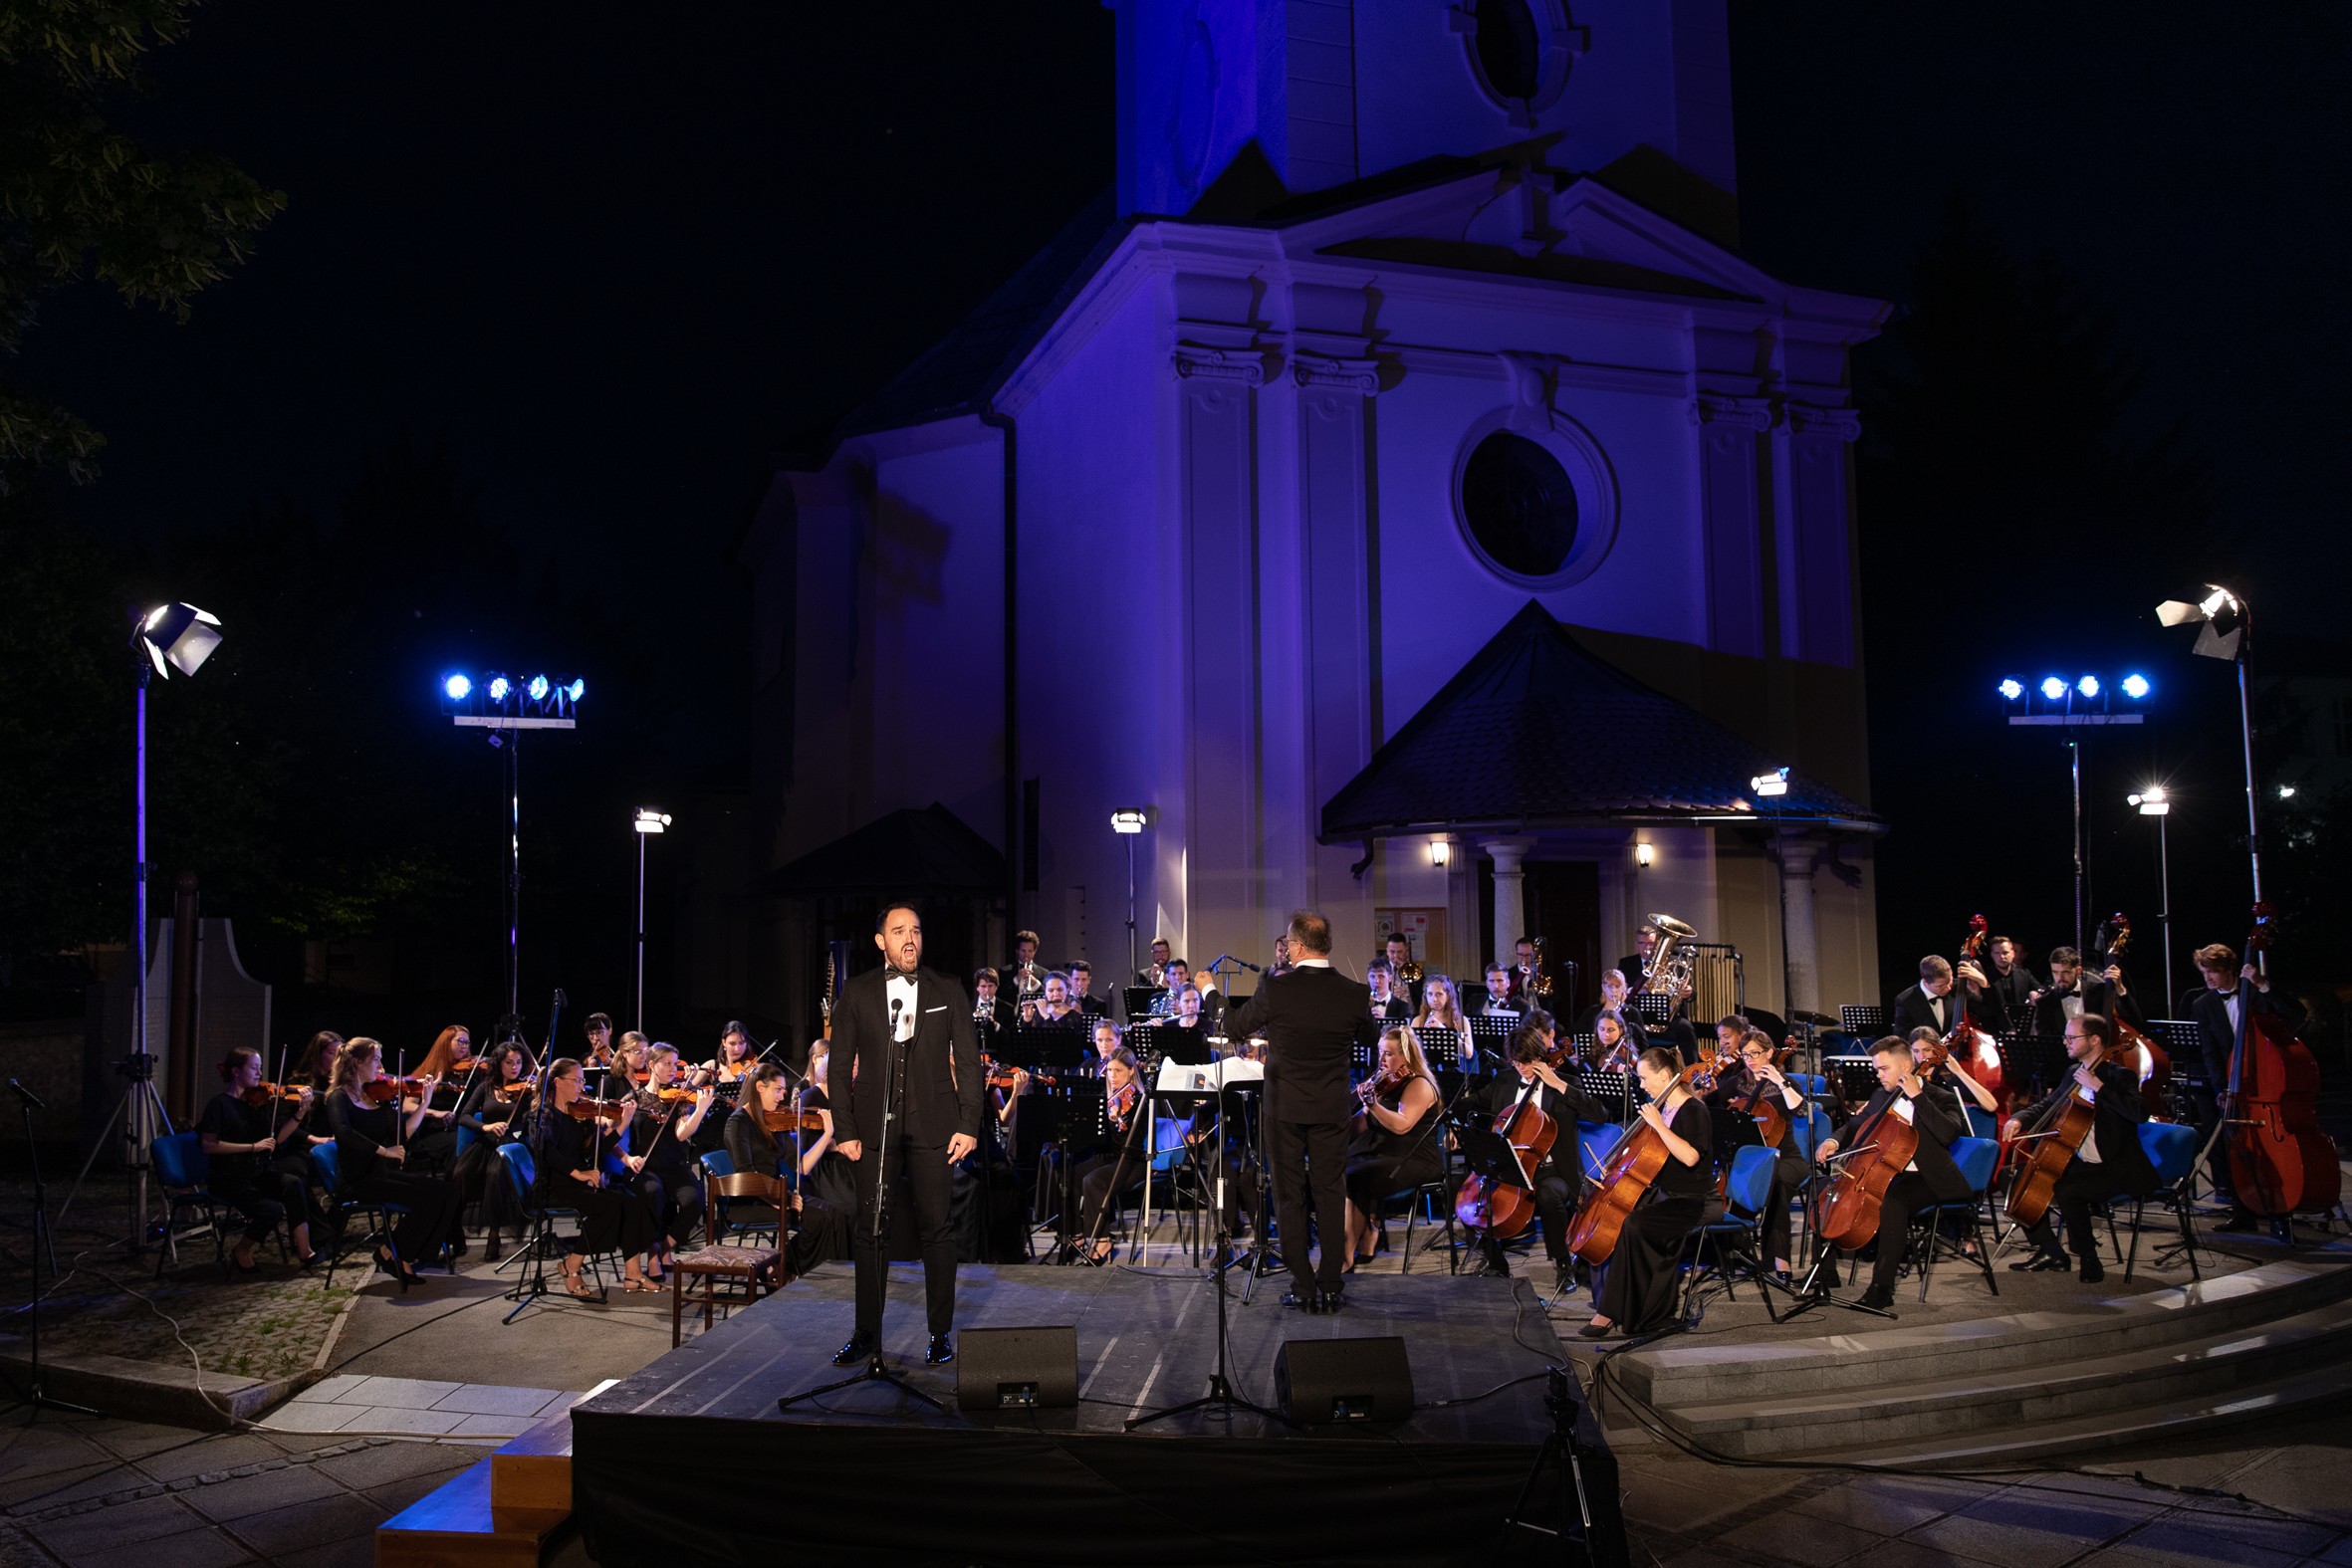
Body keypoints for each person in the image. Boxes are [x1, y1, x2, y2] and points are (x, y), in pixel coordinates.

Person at [826, 902, 983, 1368]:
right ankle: (865, 1332)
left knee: (938, 1228)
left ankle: (939, 1333)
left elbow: (969, 1063)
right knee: (871, 1230)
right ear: (882, 942)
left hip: (936, 1123)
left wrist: (968, 1124)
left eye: (915, 929)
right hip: (874, 1126)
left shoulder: (948, 989)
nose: (909, 938)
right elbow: (838, 1069)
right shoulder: (855, 993)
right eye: (899, 931)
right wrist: (846, 1129)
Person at [1217, 910, 1368, 1313]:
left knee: (1289, 1199)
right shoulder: (1355, 993)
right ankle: (1332, 1285)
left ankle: (1303, 1287)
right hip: (1332, 1108)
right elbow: (1370, 1036)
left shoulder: (1277, 989)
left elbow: (1233, 1026)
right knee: (1331, 1194)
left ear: (1298, 946)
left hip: (1285, 1108)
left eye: (1287, 943)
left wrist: (1207, 991)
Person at [1812, 1036, 1970, 1314]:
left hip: (1928, 1178)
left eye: (1883, 1068)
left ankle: (1881, 1290)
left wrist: (1917, 1097)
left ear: (1906, 1066)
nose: (1878, 1074)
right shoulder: (1881, 1095)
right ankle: (1825, 1274)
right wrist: (1834, 1141)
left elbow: (1948, 1133)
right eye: (1877, 1069)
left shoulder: (1939, 1097)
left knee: (1893, 1202)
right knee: (1826, 1188)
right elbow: (1857, 1124)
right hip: (1887, 1172)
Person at [2003, 1013, 2156, 1281]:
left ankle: (2089, 1257)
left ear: (2095, 1040)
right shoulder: (2073, 1073)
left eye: (2072, 1038)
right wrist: (2019, 1119)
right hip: (2079, 1162)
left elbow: (2139, 1113)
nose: (2065, 1042)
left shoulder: (2120, 1076)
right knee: (2012, 1176)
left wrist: (2098, 1086)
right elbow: (2049, 1105)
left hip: (2116, 1166)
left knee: (2068, 1190)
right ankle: (2051, 1252)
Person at [1580, 1046, 1713, 1338]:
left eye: (1643, 1078)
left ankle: (1628, 1313)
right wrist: (1617, 1169)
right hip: (1664, 1193)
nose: (1641, 1085)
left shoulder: (1693, 1109)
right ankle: (1619, 1309)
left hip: (1689, 1201)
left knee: (1635, 1226)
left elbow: (1690, 1157)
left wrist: (1657, 1124)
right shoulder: (1664, 1107)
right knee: (1616, 1221)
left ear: (1665, 1075)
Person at [1471, 1025, 1612, 1288]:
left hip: (1552, 1169)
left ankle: (1563, 1262)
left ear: (1541, 1056)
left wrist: (1556, 1084)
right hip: (1512, 1167)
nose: (1521, 1068)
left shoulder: (1566, 1083)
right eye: (1515, 1062)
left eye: (1527, 1061)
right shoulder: (1505, 1080)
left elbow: (1600, 1114)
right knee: (1469, 1198)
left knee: (1549, 1196)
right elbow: (1473, 1102)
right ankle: (1497, 1264)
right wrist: (1452, 1119)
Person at [326, 1037, 461, 1289]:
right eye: (375, 1059)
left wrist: (425, 1103)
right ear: (357, 1063)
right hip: (359, 1180)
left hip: (382, 1174)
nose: (381, 1065)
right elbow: (344, 1133)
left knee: (449, 1191)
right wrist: (383, 1151)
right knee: (427, 1200)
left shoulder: (373, 1098)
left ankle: (394, 1251)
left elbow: (403, 1135)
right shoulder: (339, 1097)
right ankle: (400, 1255)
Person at [537, 1057, 658, 1297]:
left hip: (578, 1182)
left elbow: (595, 1150)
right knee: (607, 1207)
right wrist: (579, 1174)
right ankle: (571, 1265)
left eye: (583, 1081)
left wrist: (622, 1125)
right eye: (578, 1080)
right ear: (558, 1083)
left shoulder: (577, 1114)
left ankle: (633, 1273)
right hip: (555, 1185)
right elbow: (547, 1152)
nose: (583, 1087)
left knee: (632, 1202)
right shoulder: (543, 1115)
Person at [2187, 943, 2283, 1235]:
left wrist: (2261, 984)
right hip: (2231, 1085)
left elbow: (2294, 1014)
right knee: (2233, 1150)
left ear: (2229, 969)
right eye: (2204, 973)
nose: (2209, 979)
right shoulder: (2202, 1005)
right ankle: (2243, 1212)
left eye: (2213, 972)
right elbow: (2210, 1052)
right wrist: (2223, 1088)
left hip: (2265, 1081)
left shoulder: (2253, 992)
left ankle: (2280, 1210)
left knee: (2269, 1149)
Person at [197, 1047, 323, 1270]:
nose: (259, 1073)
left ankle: (305, 1251)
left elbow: (278, 1139)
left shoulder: (257, 1103)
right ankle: (241, 1250)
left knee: (293, 1184)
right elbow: (209, 1145)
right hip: (229, 1177)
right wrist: (252, 1147)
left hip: (256, 1172)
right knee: (271, 1210)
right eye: (253, 1068)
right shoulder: (219, 1105)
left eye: (260, 1068)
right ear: (236, 1071)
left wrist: (300, 1112)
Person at [721, 1061, 852, 1273]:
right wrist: (777, 1200)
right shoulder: (738, 1123)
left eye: (783, 1090)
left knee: (835, 1215)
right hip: (752, 1201)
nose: (782, 1096)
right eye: (778, 1090)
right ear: (760, 1088)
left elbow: (802, 1166)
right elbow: (746, 1172)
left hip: (778, 1195)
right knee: (819, 1220)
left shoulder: (774, 1120)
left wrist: (828, 1134)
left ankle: (798, 1270)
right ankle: (789, 1270)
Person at [1704, 1030, 1809, 1274]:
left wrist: (1780, 1082)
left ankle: (1780, 1258)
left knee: (1776, 1181)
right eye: (1745, 1054)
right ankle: (1737, 1251)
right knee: (1739, 1178)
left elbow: (1801, 1111)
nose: (1750, 1059)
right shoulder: (1738, 1081)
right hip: (1751, 1160)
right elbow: (1710, 1105)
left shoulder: (1787, 1083)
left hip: (1787, 1157)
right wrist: (1705, 1090)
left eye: (1755, 1053)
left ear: (1770, 1053)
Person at [1340, 1026, 1444, 1271]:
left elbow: (1402, 1126)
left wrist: (1373, 1105)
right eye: (1380, 1052)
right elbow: (1362, 1124)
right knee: (1339, 1166)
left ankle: (1344, 1257)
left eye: (1389, 1054)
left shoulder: (1419, 1084)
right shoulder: (1384, 1080)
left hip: (1414, 1157)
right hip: (1383, 1151)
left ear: (1407, 1056)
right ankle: (1366, 1234)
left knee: (1357, 1175)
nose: (1382, 1059)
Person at [622, 1044, 718, 1273]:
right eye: (667, 1063)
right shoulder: (635, 1097)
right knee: (653, 1195)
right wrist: (627, 1158)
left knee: (694, 1200)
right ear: (652, 1065)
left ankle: (665, 1247)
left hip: (673, 1165)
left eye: (676, 1064)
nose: (673, 1069)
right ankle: (653, 1255)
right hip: (644, 1167)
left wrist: (700, 1110)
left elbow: (681, 1133)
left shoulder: (678, 1098)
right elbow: (615, 1135)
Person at [453, 1039, 534, 1260]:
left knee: (496, 1175)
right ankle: (455, 1231)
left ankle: (494, 1233)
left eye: (518, 1062)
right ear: (499, 1064)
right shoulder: (485, 1088)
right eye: (509, 1062)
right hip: (487, 1142)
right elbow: (464, 1116)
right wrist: (485, 1126)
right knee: (460, 1175)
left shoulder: (527, 1090)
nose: (514, 1067)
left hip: (512, 1145)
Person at [1073, 1046, 1147, 1263]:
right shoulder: (1107, 1099)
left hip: (1132, 1160)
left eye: (1119, 1071)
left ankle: (1102, 1241)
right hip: (1109, 1157)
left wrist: (1117, 1123)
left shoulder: (1140, 1100)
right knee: (1073, 1174)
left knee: (1093, 1180)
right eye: (1110, 1071)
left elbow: (1132, 1143)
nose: (1113, 1077)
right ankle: (1076, 1235)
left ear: (1131, 1071)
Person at [1889, 956, 1997, 1039]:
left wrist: (1983, 982)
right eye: (1940, 986)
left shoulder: (1957, 987)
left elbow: (1988, 1010)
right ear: (1925, 982)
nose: (1948, 988)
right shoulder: (1905, 1000)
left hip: (1959, 1057)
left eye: (1949, 981)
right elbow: (1903, 1037)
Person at [2028, 947, 2126, 1037]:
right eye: (2055, 972)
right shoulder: (2044, 1002)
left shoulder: (2098, 991)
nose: (2060, 978)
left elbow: (2132, 1017)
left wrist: (2120, 987)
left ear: (2078, 971)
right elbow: (2046, 1040)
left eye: (2065, 972)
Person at [1412, 973, 1476, 1069]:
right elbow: (1410, 1053)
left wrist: (1445, 1032)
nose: (1434, 999)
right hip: (1425, 1071)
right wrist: (1421, 1037)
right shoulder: (1418, 1021)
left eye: (1439, 994)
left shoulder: (1460, 1021)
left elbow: (1469, 1053)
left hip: (1452, 1071)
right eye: (1430, 994)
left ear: (1448, 996)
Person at [1984, 936, 2040, 1028]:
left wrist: (2035, 993)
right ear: (1992, 955)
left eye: (2005, 952)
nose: (2001, 957)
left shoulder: (2024, 974)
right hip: (1994, 1027)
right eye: (1997, 953)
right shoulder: (1985, 976)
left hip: (2021, 1026)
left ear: (2013, 953)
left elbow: (2040, 989)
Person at [1006, 929, 1047, 1005]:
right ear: (1017, 950)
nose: (1026, 955)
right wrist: (1016, 979)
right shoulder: (1005, 971)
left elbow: (1047, 995)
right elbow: (1002, 995)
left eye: (1030, 951)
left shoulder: (1044, 973)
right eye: (1023, 951)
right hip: (1012, 1014)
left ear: (1034, 951)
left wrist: (1036, 983)